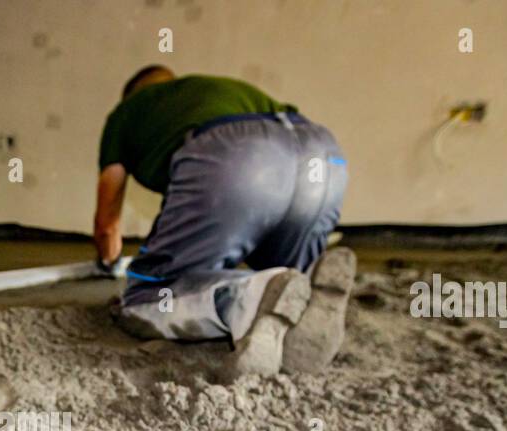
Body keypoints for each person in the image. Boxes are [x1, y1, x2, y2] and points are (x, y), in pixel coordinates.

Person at [94, 66, 355, 377]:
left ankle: (250, 296)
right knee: (289, 274)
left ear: (135, 93)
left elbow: (108, 220)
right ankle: (305, 300)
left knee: (150, 293)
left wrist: (108, 261)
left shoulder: (128, 110)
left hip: (240, 157)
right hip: (322, 158)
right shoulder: (218, 86)